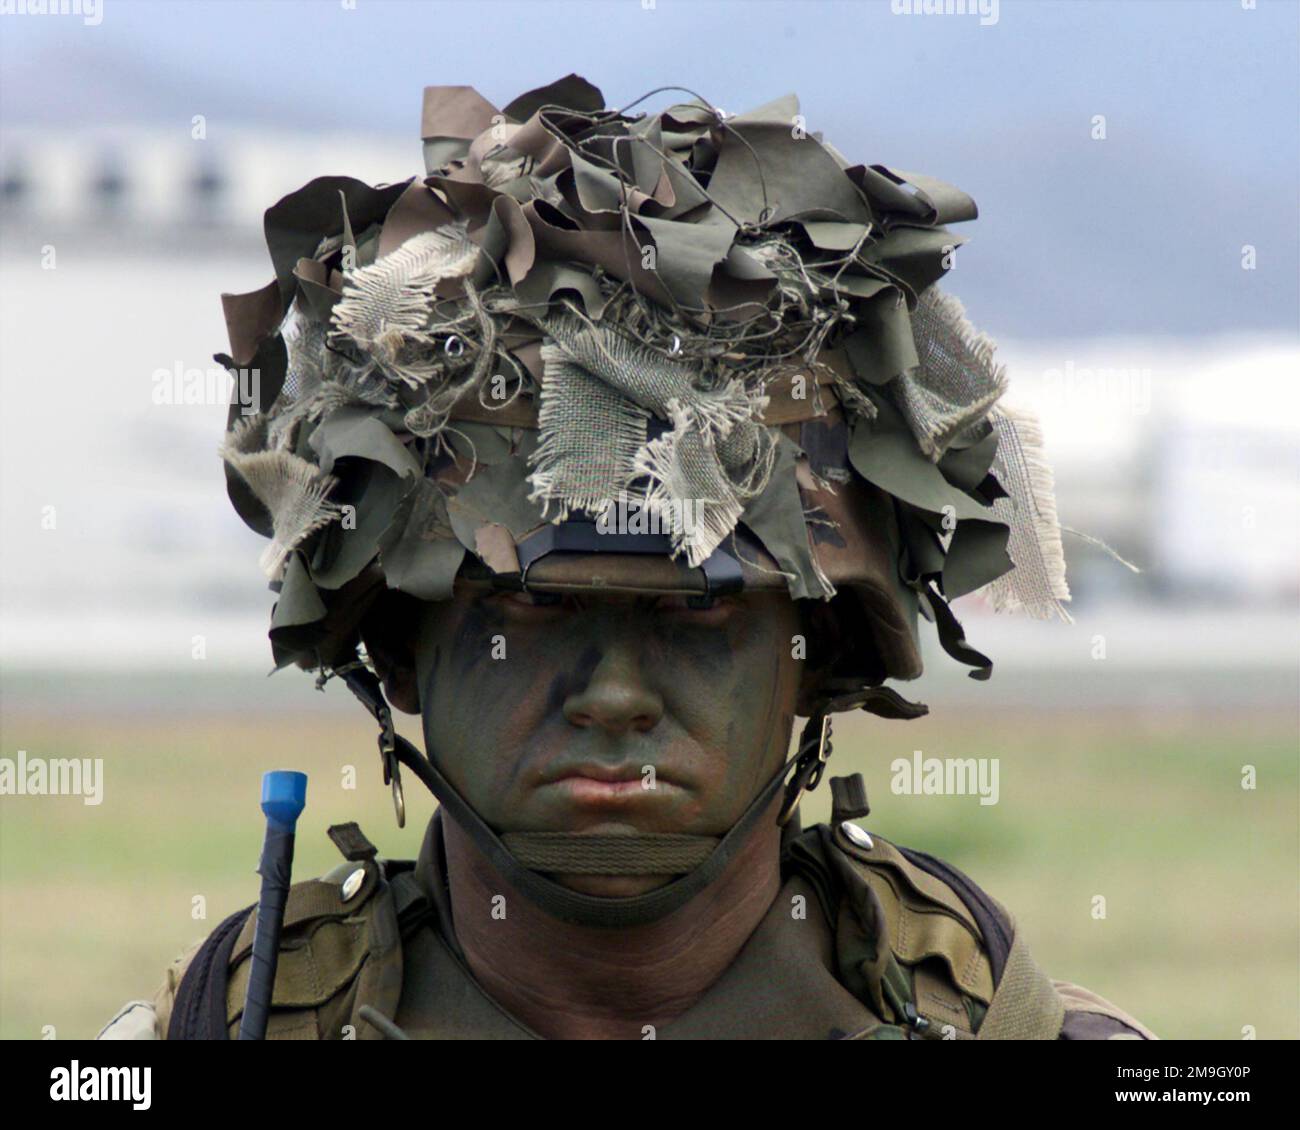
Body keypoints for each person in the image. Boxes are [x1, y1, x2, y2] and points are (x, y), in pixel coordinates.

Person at [99, 76, 1153, 1041]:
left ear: (817, 660)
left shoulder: (997, 1020)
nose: (611, 696)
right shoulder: (228, 1027)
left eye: (695, 616)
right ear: (401, 649)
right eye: (528, 611)